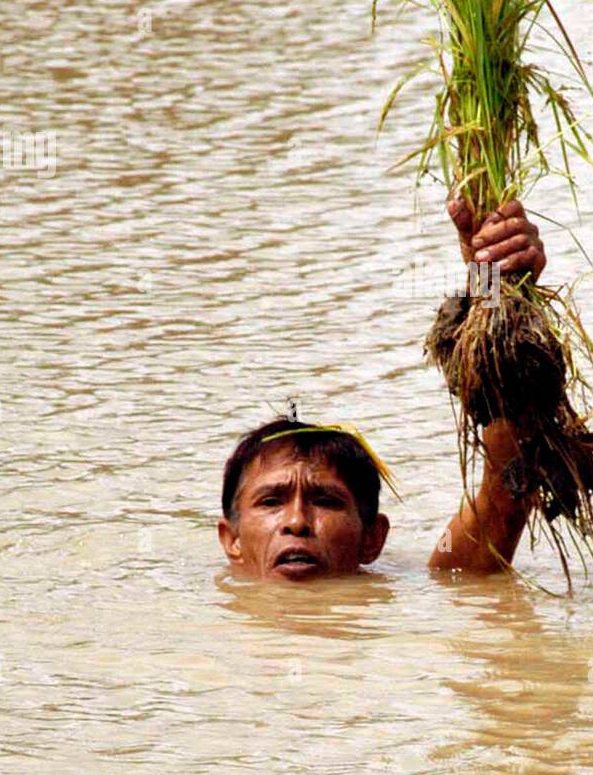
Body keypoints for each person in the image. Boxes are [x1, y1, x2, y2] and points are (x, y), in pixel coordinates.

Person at [217, 198, 546, 582]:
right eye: (271, 501)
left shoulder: (418, 595)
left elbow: (503, 490)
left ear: (372, 540)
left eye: (326, 500)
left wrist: (499, 284)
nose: (296, 522)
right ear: (232, 540)